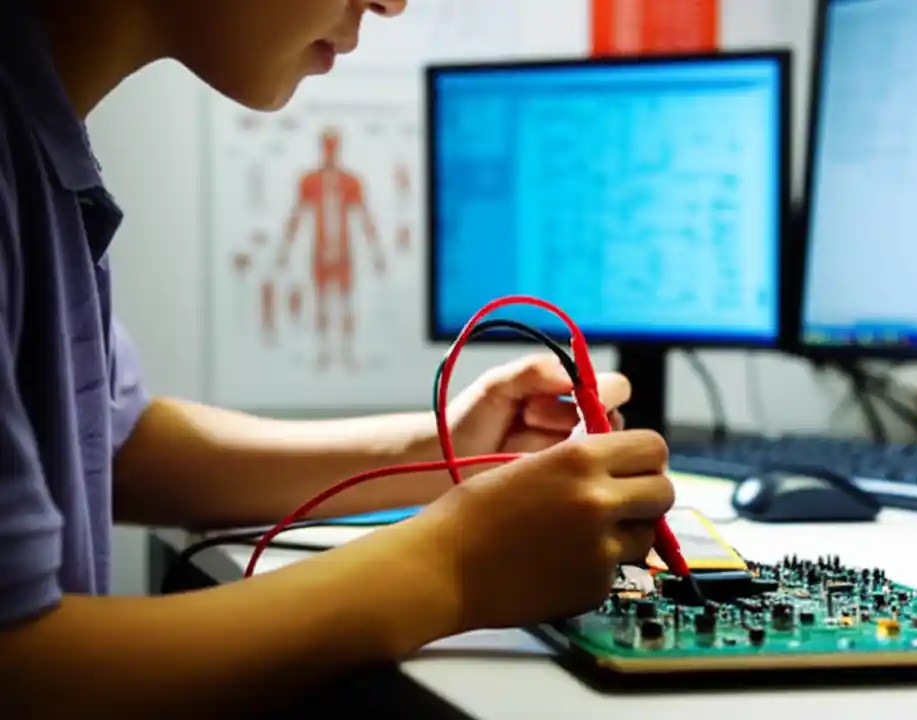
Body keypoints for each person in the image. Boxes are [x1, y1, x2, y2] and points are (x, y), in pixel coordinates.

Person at [0, 0, 675, 715]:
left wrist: (449, 445)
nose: (392, 2)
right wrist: (452, 566)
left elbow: (114, 444)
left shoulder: (33, 139)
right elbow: (21, 668)